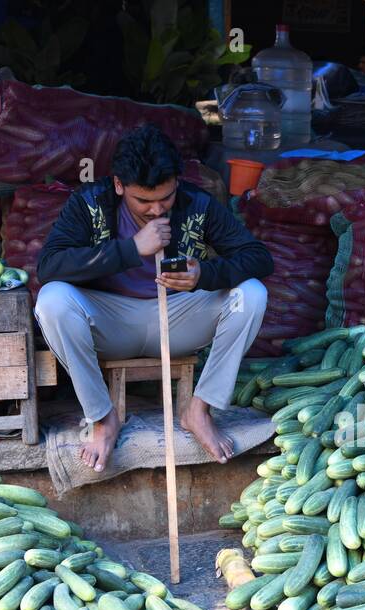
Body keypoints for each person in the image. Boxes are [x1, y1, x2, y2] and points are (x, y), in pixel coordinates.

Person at [35, 123, 273, 471]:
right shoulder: (90, 204)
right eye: (143, 201)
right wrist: (131, 249)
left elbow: (258, 257)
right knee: (52, 300)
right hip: (109, 323)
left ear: (177, 182)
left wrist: (203, 275)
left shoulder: (197, 204)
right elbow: (49, 265)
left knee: (252, 294)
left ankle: (200, 409)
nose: (156, 210)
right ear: (118, 184)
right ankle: (103, 418)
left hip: (178, 319)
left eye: (166, 198)